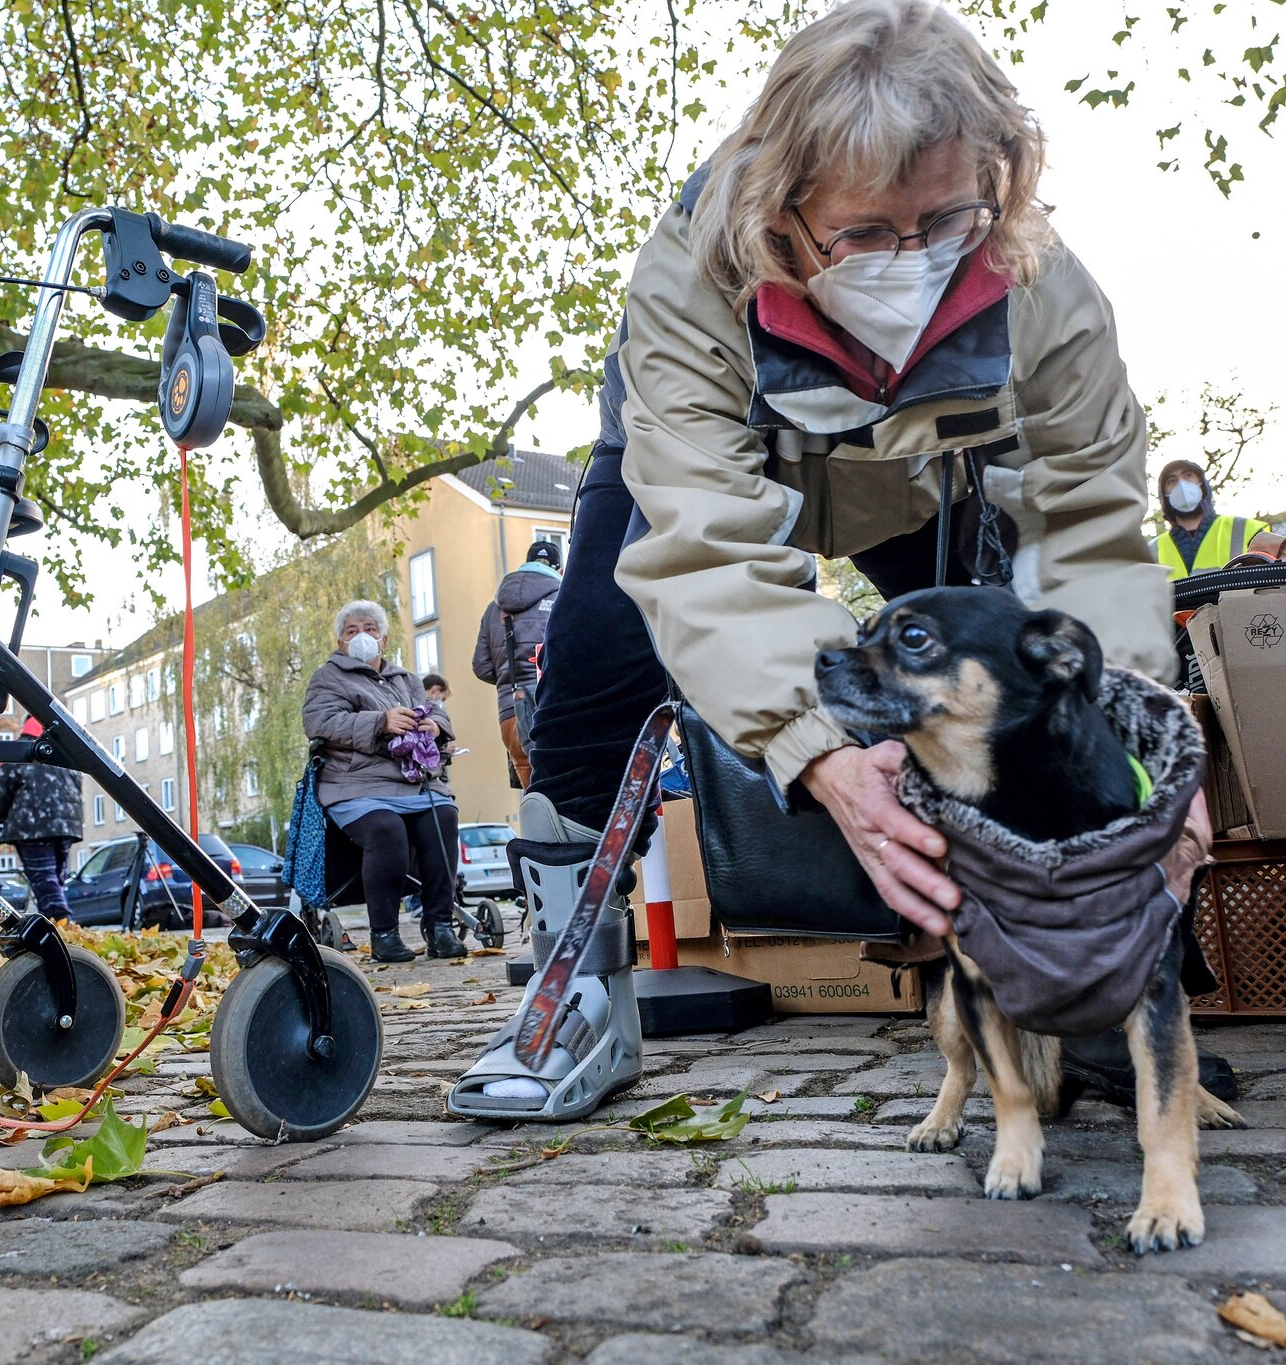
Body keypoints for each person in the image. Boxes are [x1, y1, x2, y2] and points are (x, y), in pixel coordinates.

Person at [453, 0, 1215, 1123]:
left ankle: (1079, 981)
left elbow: (1088, 527)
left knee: (1028, 689)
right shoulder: (687, 281)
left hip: (922, 476)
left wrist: (1135, 746)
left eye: (943, 220)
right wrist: (814, 747)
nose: (910, 263)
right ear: (784, 206)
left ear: (996, 179)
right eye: (863, 232)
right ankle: (575, 996)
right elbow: (709, 549)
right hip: (718, 461)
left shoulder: (1041, 284)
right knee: (594, 670)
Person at [302, 600, 462, 963]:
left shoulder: (406, 679)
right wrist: (380, 722)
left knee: (444, 817)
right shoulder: (328, 677)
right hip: (355, 784)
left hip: (413, 782)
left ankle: (440, 926)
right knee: (386, 829)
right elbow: (319, 723)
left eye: (370, 629)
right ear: (341, 642)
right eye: (352, 631)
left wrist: (436, 726)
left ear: (384, 639)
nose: (362, 636)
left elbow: (436, 712)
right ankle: (384, 934)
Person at [472, 541, 562, 789]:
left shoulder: (493, 609)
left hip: (510, 709)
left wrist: (509, 675)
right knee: (563, 781)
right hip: (552, 705)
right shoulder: (561, 597)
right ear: (559, 569)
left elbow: (481, 666)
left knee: (531, 785)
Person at [0, 716, 84, 922]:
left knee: (44, 878)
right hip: (67, 826)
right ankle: (53, 921)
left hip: (31, 826)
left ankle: (61, 922)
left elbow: (2, 791)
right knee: (56, 878)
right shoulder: (62, 753)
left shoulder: (18, 753)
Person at [1151, 460, 1274, 580]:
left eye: (1188, 475)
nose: (1181, 485)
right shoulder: (1151, 551)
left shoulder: (1250, 530)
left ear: (1202, 484)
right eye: (1171, 481)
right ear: (1164, 495)